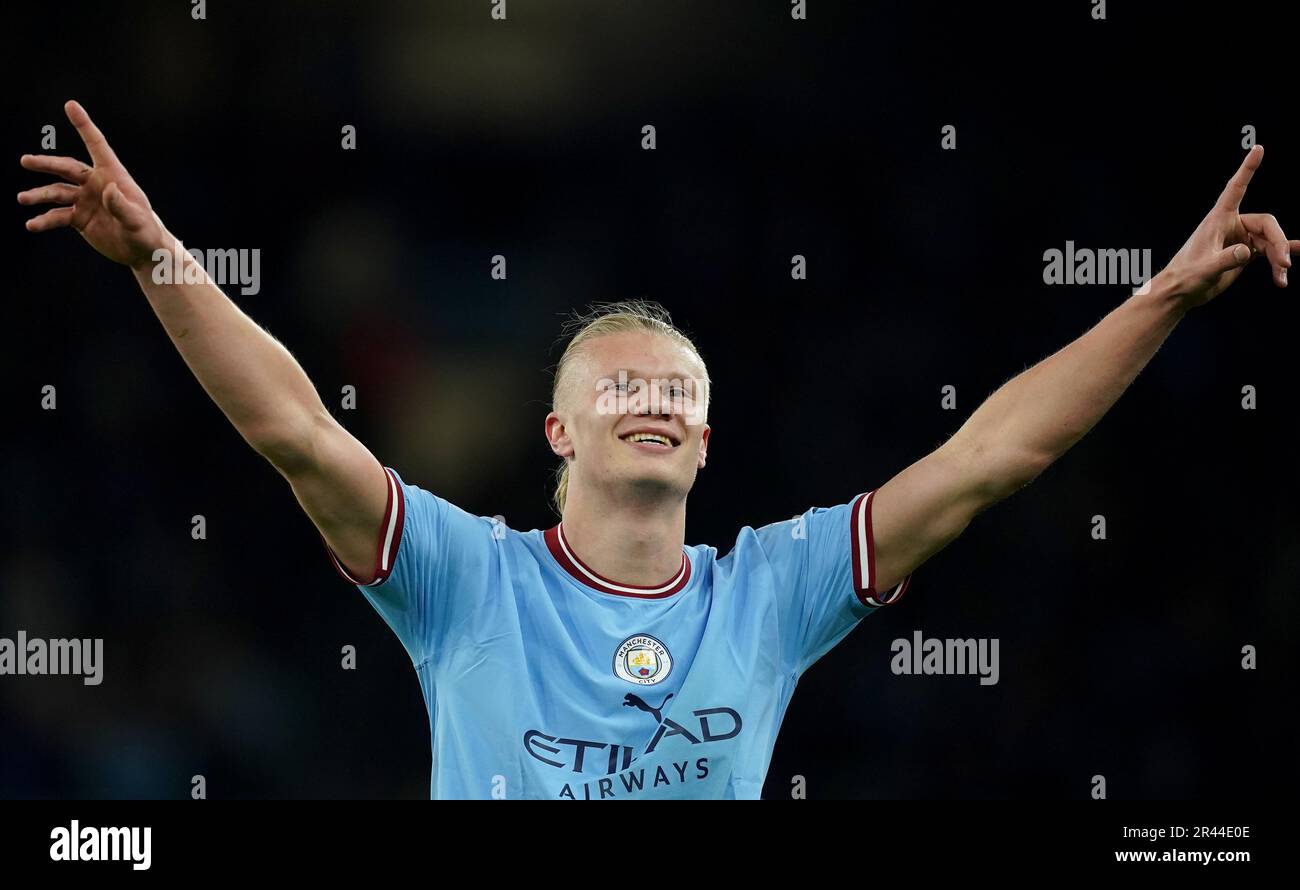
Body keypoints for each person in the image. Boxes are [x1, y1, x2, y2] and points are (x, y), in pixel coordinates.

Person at [20, 100, 1296, 799]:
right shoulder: (467, 580)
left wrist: (1161, 296)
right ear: (557, 433)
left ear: (703, 436)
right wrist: (159, 261)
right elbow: (294, 428)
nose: (651, 395)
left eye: (676, 385)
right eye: (615, 380)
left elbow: (990, 456)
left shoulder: (773, 591)